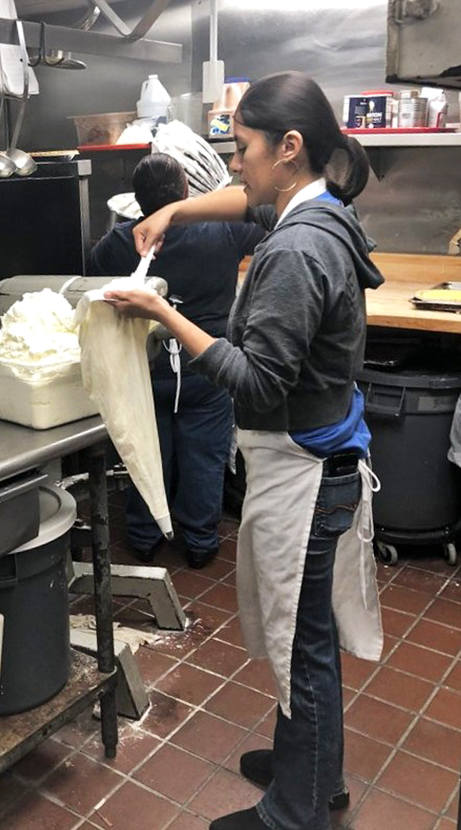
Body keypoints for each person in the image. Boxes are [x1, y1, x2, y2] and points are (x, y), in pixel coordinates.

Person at [103, 72, 384, 830]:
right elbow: (246, 200)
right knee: (307, 637)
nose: (237, 166)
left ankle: (299, 811)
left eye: (245, 150)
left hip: (308, 471)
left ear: (290, 148)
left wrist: (162, 312)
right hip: (321, 459)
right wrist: (173, 209)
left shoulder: (295, 251)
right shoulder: (319, 206)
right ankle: (313, 770)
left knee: (302, 647)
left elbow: (256, 383)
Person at [89, 153, 264, 568]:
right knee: (204, 457)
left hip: (145, 369)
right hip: (206, 365)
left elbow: (94, 282)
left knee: (145, 452)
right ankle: (201, 542)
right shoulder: (222, 231)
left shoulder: (118, 243)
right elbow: (267, 219)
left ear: (137, 199)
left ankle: (144, 536)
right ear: (186, 192)